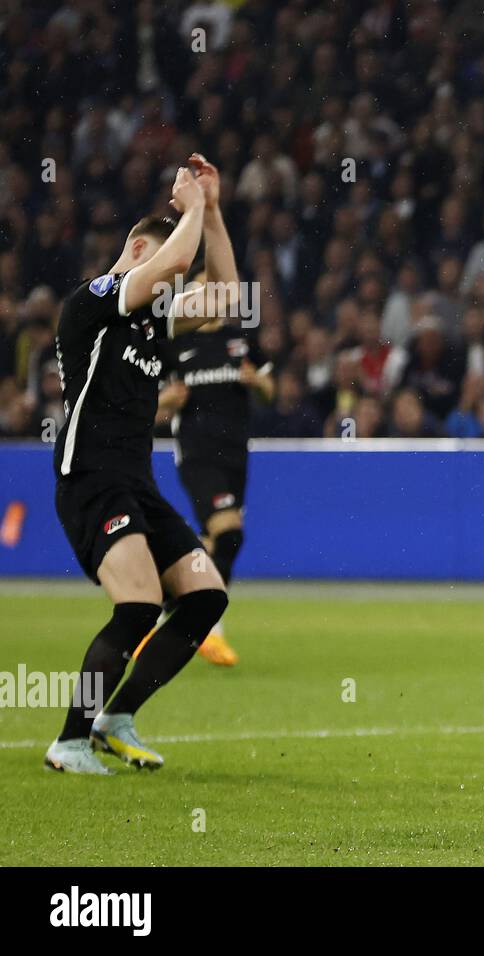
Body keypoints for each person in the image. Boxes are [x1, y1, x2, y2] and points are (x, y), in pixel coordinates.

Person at [45, 156, 239, 774]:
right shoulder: (94, 302)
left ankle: (115, 717)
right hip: (91, 480)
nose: (173, 287)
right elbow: (177, 263)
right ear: (137, 250)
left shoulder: (155, 323)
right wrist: (190, 211)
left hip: (139, 485)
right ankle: (68, 742)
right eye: (159, 264)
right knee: (137, 607)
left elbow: (227, 298)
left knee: (207, 595)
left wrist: (212, 212)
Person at [152, 249, 274, 666]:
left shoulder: (239, 340)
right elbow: (148, 408)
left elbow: (270, 392)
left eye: (215, 287)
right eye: (202, 286)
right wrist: (164, 401)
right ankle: (205, 624)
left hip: (236, 453)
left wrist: (256, 381)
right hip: (198, 453)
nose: (209, 293)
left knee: (213, 538)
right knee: (230, 533)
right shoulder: (174, 344)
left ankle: (168, 602)